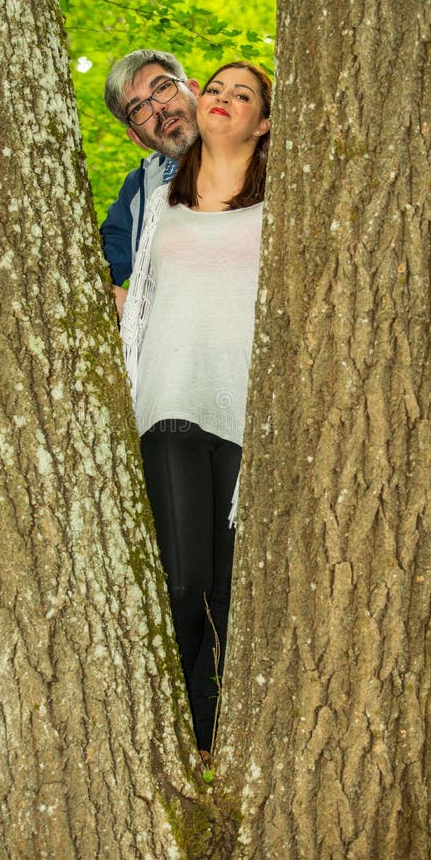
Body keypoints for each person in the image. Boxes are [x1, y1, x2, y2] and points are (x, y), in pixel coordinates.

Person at [120, 62, 272, 752]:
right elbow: (128, 288)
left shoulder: (283, 195)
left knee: (234, 592)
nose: (222, 100)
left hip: (247, 411)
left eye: (242, 96)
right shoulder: (156, 200)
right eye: (216, 89)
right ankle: (168, 742)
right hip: (170, 401)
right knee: (182, 582)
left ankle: (216, 749)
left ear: (262, 124)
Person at [101, 50, 200, 291]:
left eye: (163, 87)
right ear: (136, 138)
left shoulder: (256, 147)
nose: (157, 108)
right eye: (138, 109)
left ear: (194, 90)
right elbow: (91, 270)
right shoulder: (137, 189)